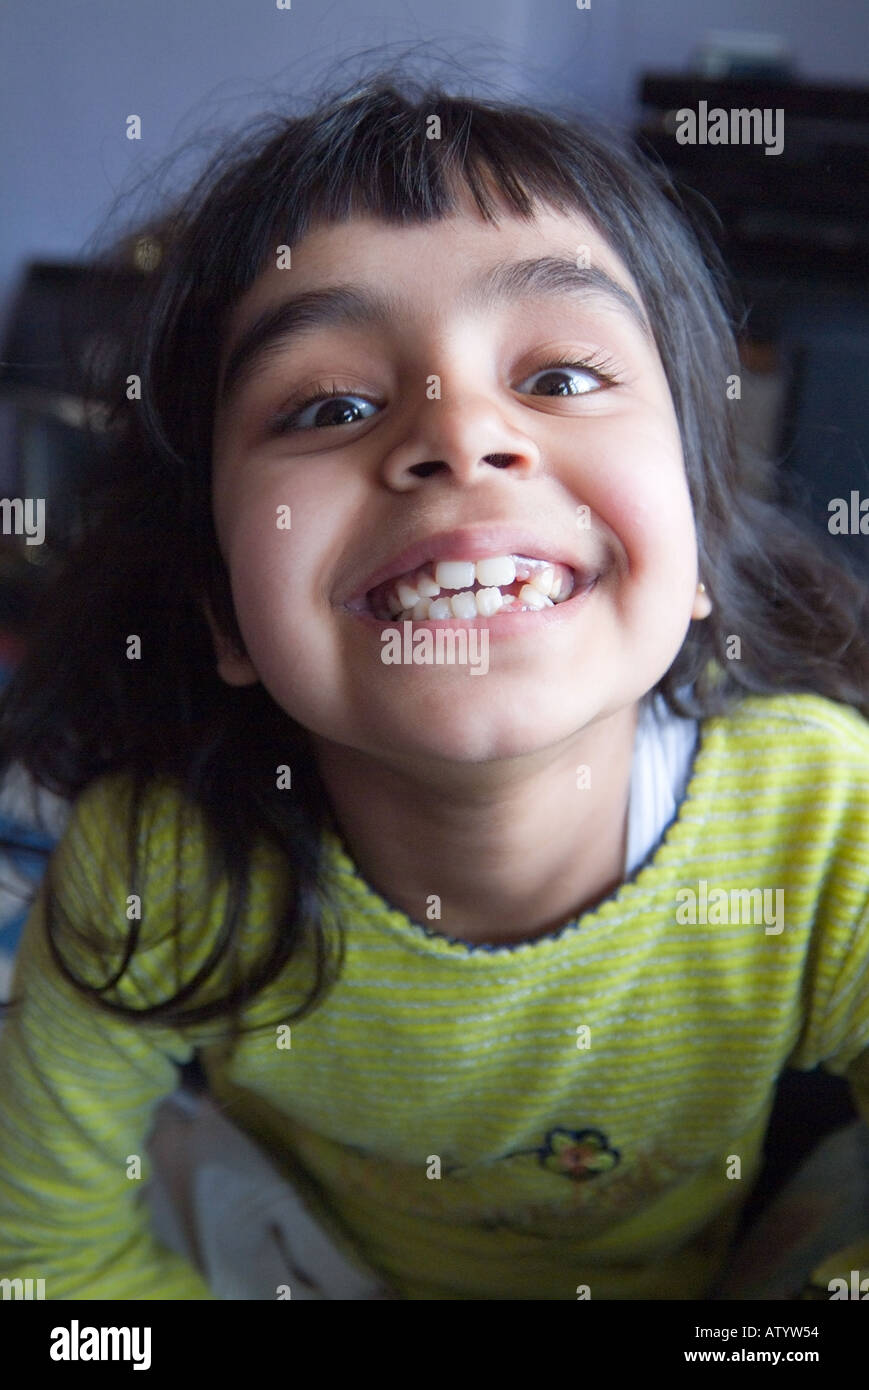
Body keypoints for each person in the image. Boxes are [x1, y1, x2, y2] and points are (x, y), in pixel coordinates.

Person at [0, 69, 867, 1302]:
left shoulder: (823, 823)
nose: (458, 434)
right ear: (222, 611)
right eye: (332, 402)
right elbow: (41, 1259)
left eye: (559, 377)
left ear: (693, 543)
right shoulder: (154, 870)